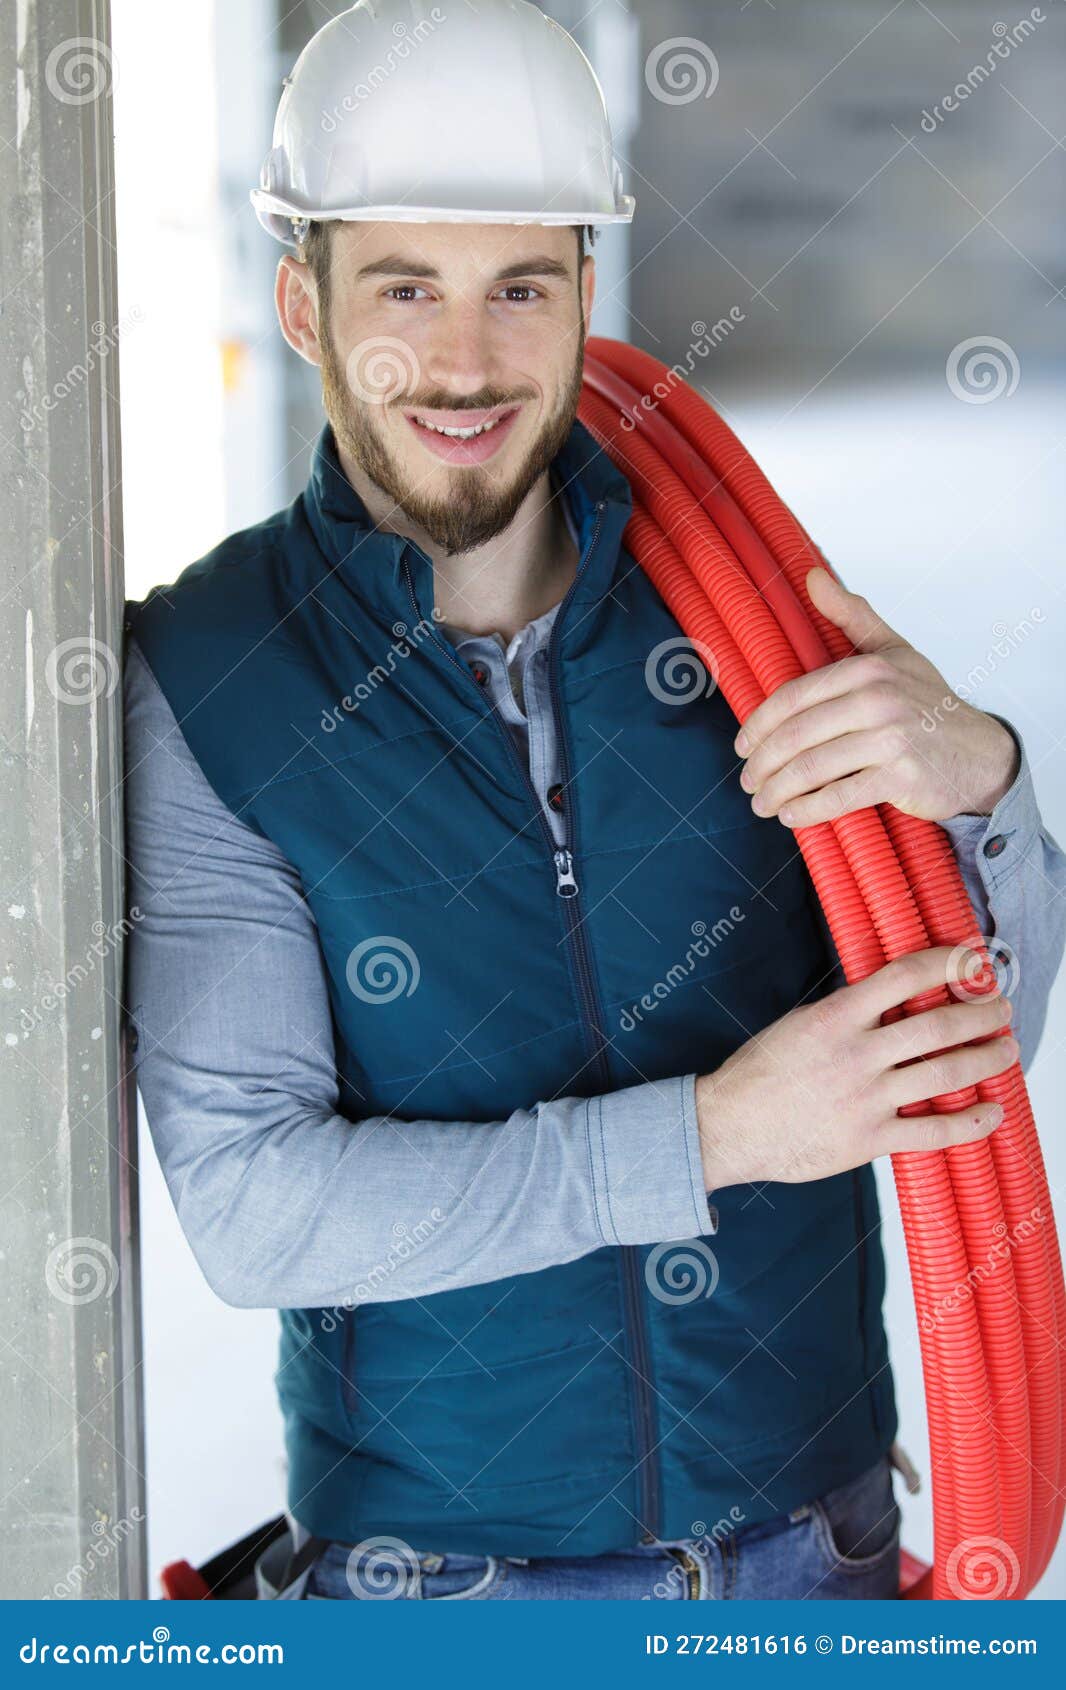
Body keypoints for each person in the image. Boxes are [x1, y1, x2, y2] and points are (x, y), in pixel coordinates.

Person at [124, 0, 1066, 1601]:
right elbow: (258, 1209)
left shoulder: (742, 610)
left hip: (807, 1552)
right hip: (446, 1586)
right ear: (301, 302)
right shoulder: (210, 677)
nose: (468, 362)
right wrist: (716, 1134)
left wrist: (979, 783)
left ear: (582, 303)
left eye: (520, 287)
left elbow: (972, 1041)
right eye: (404, 288)